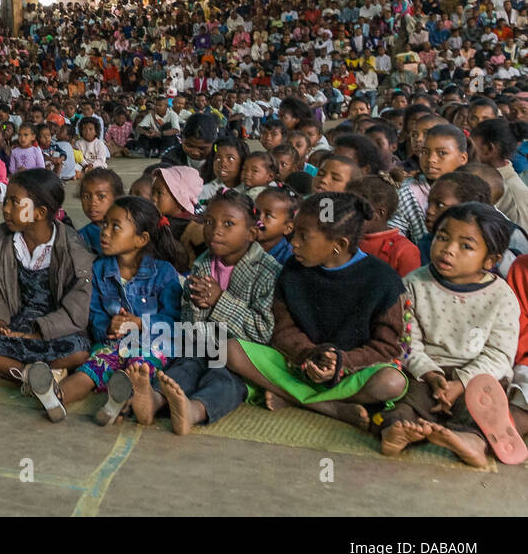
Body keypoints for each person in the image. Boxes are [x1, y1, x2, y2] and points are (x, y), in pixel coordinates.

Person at [225, 192, 408, 430]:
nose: (293, 243)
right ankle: (330, 408)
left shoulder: (383, 281)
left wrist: (340, 363)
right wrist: (308, 355)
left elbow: (387, 348)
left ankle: (293, 398)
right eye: (294, 233)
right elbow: (282, 329)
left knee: (392, 382)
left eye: (304, 237)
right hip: (297, 365)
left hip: (350, 373)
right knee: (228, 349)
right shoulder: (293, 269)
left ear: (338, 245)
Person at [379, 203, 526, 466]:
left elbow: (499, 354)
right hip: (425, 372)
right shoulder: (413, 284)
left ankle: (473, 442)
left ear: (490, 260)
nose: (448, 249)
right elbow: (407, 340)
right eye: (443, 238)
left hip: (477, 376)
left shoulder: (501, 296)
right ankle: (398, 431)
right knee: (405, 398)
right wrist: (431, 374)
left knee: (486, 407)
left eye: (466, 246)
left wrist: (462, 382)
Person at [0, 169, 93, 422]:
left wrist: (36, 333)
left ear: (40, 212)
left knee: (80, 351)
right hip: (13, 326)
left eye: (15, 202)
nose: (6, 208)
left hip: (51, 332)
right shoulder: (1, 242)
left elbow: (76, 309)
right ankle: (29, 375)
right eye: (6, 200)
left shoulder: (72, 247)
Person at [132, 189, 283, 433]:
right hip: (202, 345)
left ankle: (193, 411)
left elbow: (263, 331)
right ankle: (155, 401)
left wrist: (219, 300)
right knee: (184, 367)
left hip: (240, 358)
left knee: (223, 380)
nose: (216, 230)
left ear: (252, 233)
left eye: (228, 224)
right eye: (209, 222)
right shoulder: (203, 263)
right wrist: (197, 305)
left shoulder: (267, 272)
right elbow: (190, 325)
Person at [51, 196, 186, 425]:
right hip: (113, 343)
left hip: (154, 343)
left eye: (115, 227)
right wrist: (108, 327)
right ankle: (54, 398)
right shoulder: (99, 269)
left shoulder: (163, 272)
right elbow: (94, 314)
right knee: (93, 366)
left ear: (141, 239)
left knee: (138, 368)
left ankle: (121, 404)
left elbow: (175, 320)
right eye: (105, 225)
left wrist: (141, 323)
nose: (105, 232)